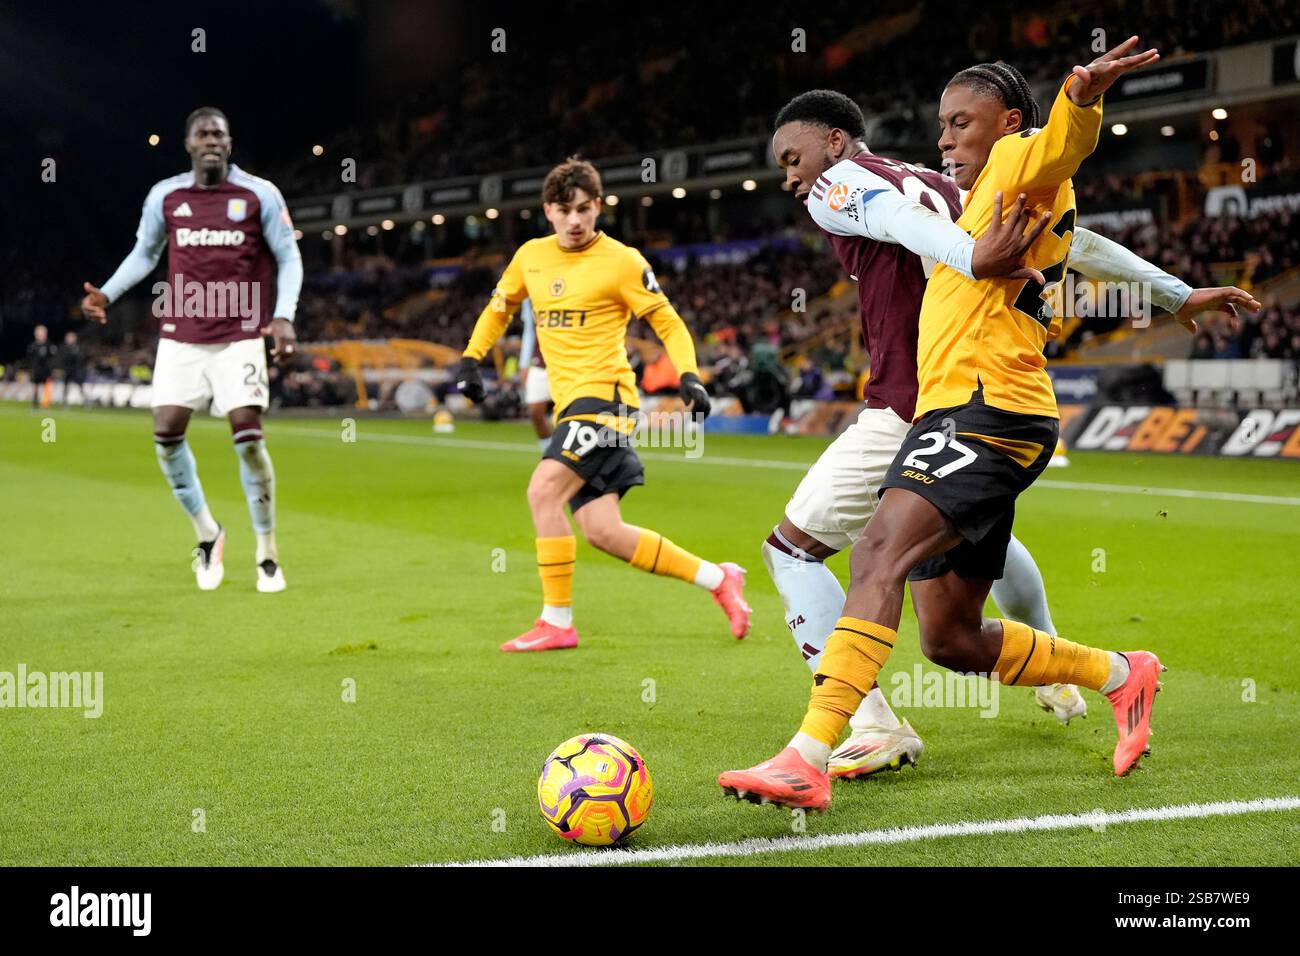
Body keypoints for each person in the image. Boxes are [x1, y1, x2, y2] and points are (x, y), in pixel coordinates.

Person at [720, 39, 1188, 810]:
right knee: (947, 634)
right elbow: (1080, 242)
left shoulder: (844, 186)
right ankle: (1110, 674)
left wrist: (973, 257)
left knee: (811, 551)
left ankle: (843, 732)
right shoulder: (955, 181)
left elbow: (901, 220)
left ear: (834, 142)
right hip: (958, 407)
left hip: (934, 405)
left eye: (792, 156)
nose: (790, 176)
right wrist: (1172, 292)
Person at [455, 157, 751, 652]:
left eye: (585, 209)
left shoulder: (623, 260)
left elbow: (668, 322)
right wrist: (470, 359)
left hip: (607, 400)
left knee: (543, 491)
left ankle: (557, 622)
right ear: (548, 211)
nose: (575, 220)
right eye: (565, 210)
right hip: (570, 406)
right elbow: (499, 309)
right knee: (604, 532)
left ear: (598, 208)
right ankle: (719, 578)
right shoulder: (530, 256)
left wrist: (689, 376)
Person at [80, 107, 302, 593]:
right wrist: (107, 294)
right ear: (188, 144)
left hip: (241, 333)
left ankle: (266, 552)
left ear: (229, 141)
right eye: (202, 134)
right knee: (166, 435)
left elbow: (288, 255)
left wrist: (283, 314)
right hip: (180, 336)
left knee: (248, 437)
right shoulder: (167, 195)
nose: (211, 141)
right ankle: (208, 532)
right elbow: (145, 254)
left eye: (218, 133)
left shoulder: (259, 194)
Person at [516, 299, 553, 453]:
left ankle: (564, 458)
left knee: (570, 413)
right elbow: (529, 329)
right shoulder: (530, 289)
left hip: (568, 361)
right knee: (535, 412)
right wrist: (524, 364)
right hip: (540, 361)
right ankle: (549, 452)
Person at [26, 325, 58, 409]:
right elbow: (29, 358)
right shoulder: (33, 345)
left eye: (41, 333)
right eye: (38, 333)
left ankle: (45, 404)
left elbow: (53, 358)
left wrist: (52, 367)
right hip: (36, 370)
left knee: (47, 387)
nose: (39, 334)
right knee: (35, 387)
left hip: (46, 370)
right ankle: (34, 403)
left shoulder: (49, 345)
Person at [61, 331, 86, 407]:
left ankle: (85, 400)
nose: (69, 339)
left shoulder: (77, 347)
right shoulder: (64, 348)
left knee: (80, 385)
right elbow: (63, 359)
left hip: (75, 369)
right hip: (67, 369)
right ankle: (65, 401)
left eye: (71, 337)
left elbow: (79, 358)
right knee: (66, 386)